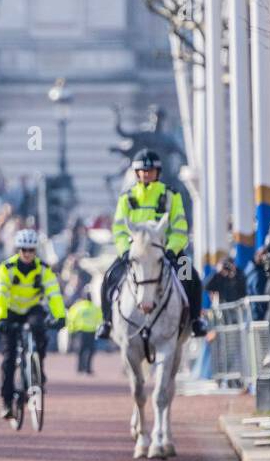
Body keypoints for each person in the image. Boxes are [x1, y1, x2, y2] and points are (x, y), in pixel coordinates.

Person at [97, 149, 206, 340]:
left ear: (158, 173)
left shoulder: (172, 195)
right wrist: (125, 251)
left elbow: (180, 228)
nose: (146, 174)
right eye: (143, 171)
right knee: (109, 277)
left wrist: (172, 250)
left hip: (166, 252)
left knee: (192, 276)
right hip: (135, 253)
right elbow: (119, 229)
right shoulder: (126, 198)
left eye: (151, 171)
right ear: (137, 173)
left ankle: (196, 321)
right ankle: (106, 322)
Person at [0, 228, 66, 419]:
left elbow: (54, 294)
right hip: (11, 312)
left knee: (40, 331)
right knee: (9, 359)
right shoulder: (6, 268)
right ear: (19, 249)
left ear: (35, 251)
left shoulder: (44, 269)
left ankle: (38, 371)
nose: (27, 254)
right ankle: (7, 402)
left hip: (32, 309)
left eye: (31, 250)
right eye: (24, 249)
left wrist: (60, 315)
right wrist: (1, 318)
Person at [66, 295, 102, 374]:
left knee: (80, 351)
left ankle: (79, 368)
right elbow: (100, 320)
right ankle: (88, 368)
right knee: (91, 351)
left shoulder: (76, 307)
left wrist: (71, 331)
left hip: (80, 331)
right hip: (92, 332)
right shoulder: (95, 307)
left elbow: (71, 319)